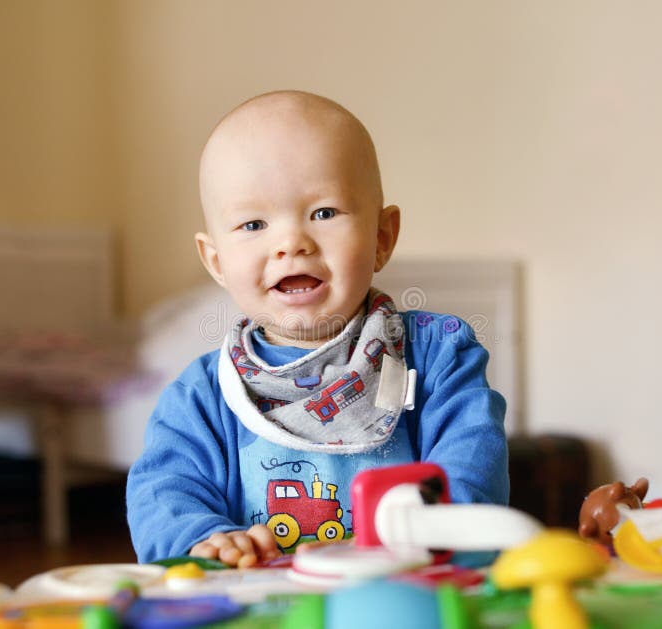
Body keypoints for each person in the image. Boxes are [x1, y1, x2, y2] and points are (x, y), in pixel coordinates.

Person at [127, 90, 508, 567]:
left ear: (381, 238)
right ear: (217, 261)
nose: (291, 242)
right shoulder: (202, 397)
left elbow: (473, 466)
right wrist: (206, 539)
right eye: (252, 224)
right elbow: (164, 496)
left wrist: (429, 531)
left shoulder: (437, 356)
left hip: (406, 595)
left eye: (323, 213)